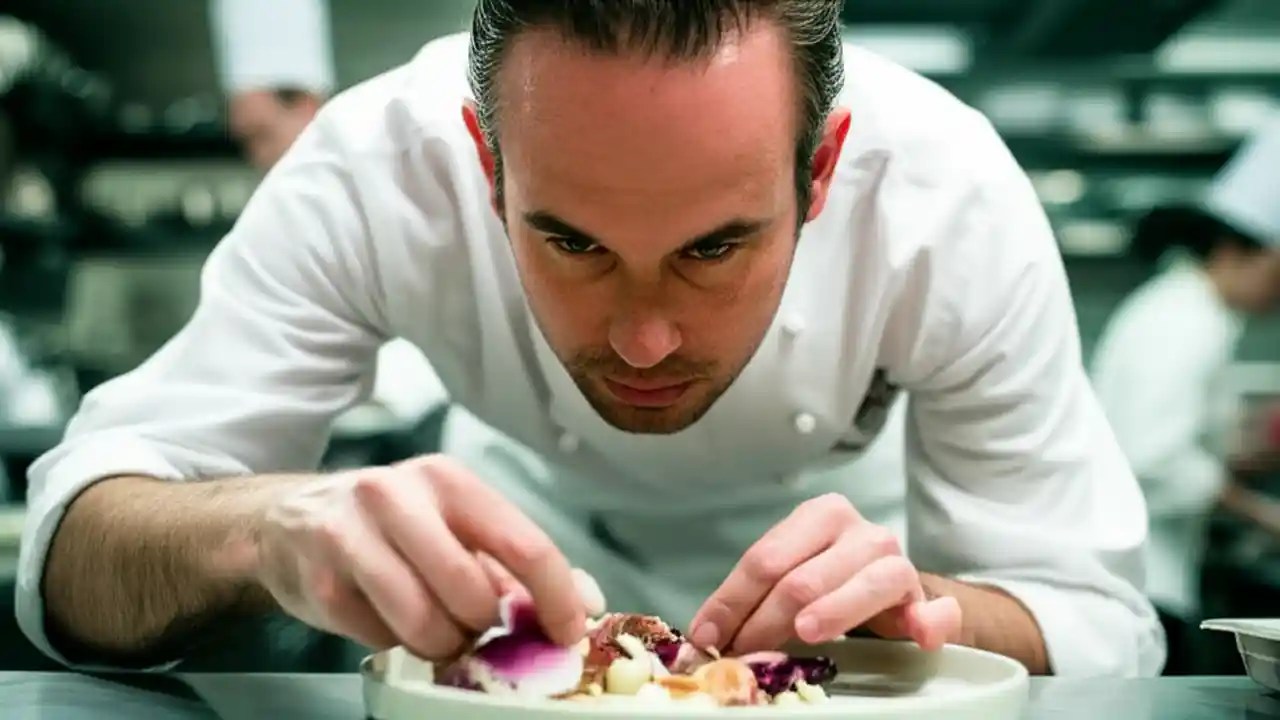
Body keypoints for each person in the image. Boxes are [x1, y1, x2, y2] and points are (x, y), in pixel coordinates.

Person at [19, 1, 1162, 678]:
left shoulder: (943, 199)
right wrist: (267, 529)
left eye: (713, 249)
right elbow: (67, 563)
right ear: (483, 162)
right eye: (571, 243)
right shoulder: (371, 169)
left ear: (820, 171)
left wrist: (924, 614)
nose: (647, 339)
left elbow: (1103, 621)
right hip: (509, 598)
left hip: (845, 622)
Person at [1090, 118, 1280, 676]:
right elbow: (1154, 456)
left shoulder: (1182, 310)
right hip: (1149, 577)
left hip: (1152, 571)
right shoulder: (1185, 321)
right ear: (1233, 251)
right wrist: (1261, 513)